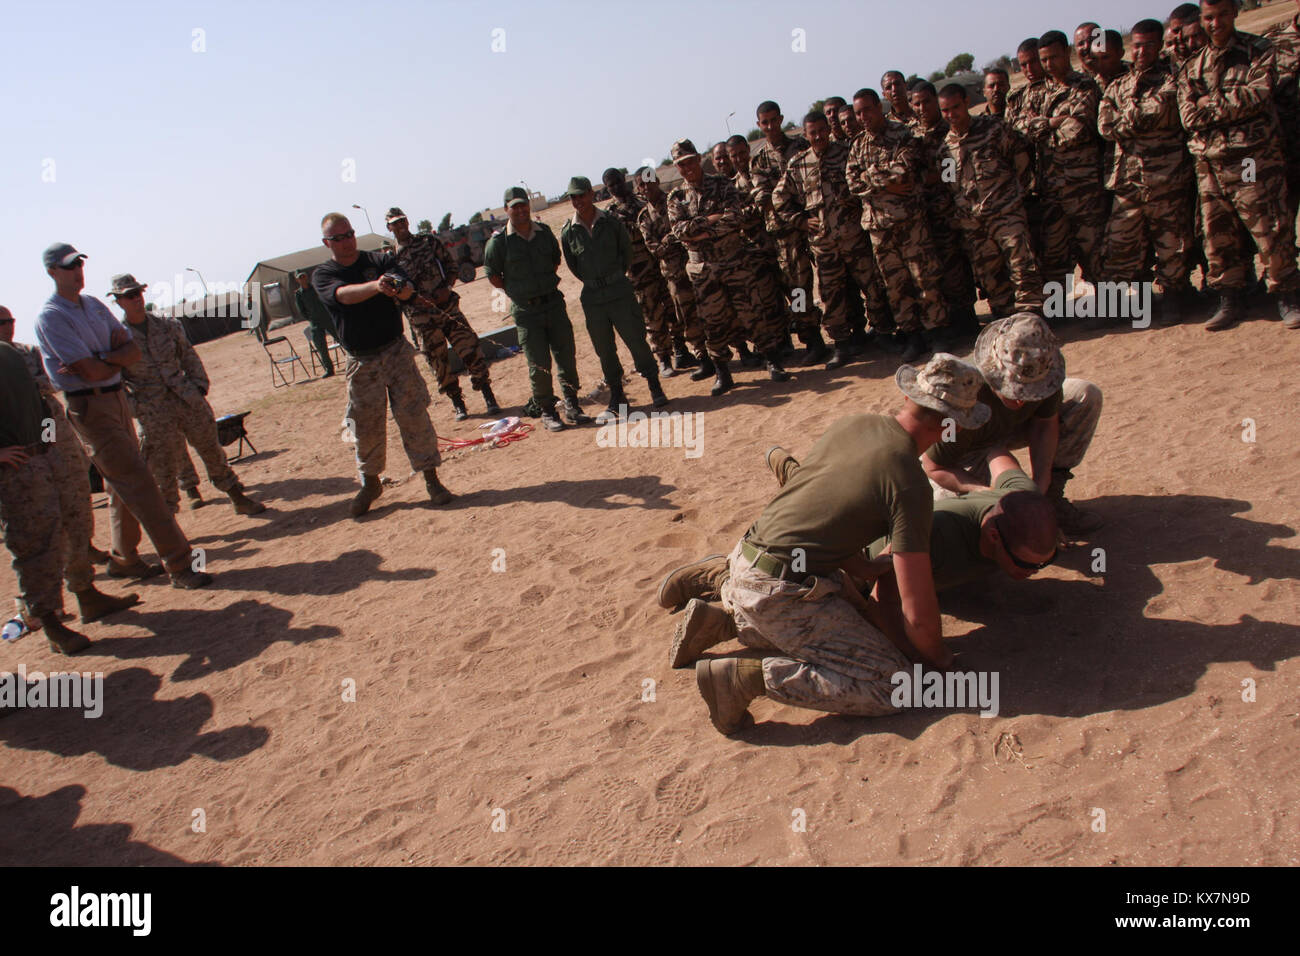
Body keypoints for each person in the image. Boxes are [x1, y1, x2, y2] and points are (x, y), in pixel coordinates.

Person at [685, 353, 989, 734]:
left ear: (910, 396)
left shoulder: (854, 424)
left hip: (749, 559)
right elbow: (918, 611)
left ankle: (724, 623)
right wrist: (940, 659)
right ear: (950, 426)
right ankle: (746, 679)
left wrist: (861, 568)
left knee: (858, 619)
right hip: (780, 590)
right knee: (894, 685)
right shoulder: (908, 482)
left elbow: (822, 509)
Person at [659, 448, 1059, 621]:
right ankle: (719, 574)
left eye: (1043, 563)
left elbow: (998, 452)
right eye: (1024, 564)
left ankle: (799, 479)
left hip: (914, 511)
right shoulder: (937, 538)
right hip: (859, 547)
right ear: (992, 535)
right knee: (805, 587)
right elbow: (883, 599)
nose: (1033, 571)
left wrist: (978, 490)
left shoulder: (1019, 500)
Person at [34, 243, 211, 589]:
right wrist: (108, 358)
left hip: (115, 399)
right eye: (68, 266)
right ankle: (179, 564)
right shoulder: (51, 317)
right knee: (140, 482)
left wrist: (103, 358)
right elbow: (91, 371)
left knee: (121, 486)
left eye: (79, 264)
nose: (77, 271)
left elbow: (129, 352)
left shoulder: (94, 306)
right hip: (89, 405)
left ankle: (126, 559)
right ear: (52, 272)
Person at [311, 214, 454, 516]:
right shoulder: (324, 274)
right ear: (327, 243)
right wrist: (376, 287)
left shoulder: (378, 260)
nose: (347, 240)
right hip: (362, 360)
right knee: (366, 425)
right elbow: (343, 296)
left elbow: (406, 285)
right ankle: (371, 482)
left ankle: (431, 478)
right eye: (338, 238)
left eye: (349, 233)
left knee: (414, 414)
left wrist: (399, 288)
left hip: (396, 351)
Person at [0, 309, 134, 628]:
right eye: (2, 323)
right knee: (35, 540)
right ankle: (49, 620)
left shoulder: (24, 354)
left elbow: (49, 389)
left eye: (10, 321)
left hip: (48, 445)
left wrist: (49, 444)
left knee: (76, 517)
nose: (9, 327)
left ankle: (86, 593)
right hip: (18, 470)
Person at [920, 314, 1102, 537]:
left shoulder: (1044, 372)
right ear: (992, 371)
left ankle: (1053, 500)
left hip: (1008, 429)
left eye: (1030, 390)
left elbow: (1045, 424)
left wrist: (1040, 491)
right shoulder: (961, 391)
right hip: (964, 452)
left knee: (1085, 394)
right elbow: (935, 466)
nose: (1021, 400)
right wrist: (988, 494)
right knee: (962, 525)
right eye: (1014, 388)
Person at [1179, 0, 1300, 331]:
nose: (1215, 23)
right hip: (1209, 161)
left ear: (1234, 13)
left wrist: (1210, 105)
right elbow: (1188, 116)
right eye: (1208, 18)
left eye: (1221, 15)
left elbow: (1259, 93)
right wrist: (1229, 105)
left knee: (1269, 228)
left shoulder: (1257, 50)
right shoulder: (1193, 65)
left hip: (1251, 157)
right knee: (1218, 237)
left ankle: (1287, 295)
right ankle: (1231, 298)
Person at [108, 274, 266, 518]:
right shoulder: (116, 339)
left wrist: (199, 386)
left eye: (138, 293)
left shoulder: (166, 325)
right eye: (129, 296)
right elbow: (115, 383)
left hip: (187, 399)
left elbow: (188, 355)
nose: (136, 299)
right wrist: (137, 408)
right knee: (163, 468)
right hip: (154, 410)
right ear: (118, 301)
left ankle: (238, 498)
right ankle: (170, 524)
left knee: (212, 449)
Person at [665, 138, 790, 396]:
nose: (687, 168)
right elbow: (679, 232)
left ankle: (772, 362)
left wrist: (699, 231)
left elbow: (735, 218)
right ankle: (723, 373)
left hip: (735, 262)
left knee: (752, 312)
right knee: (713, 323)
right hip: (703, 271)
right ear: (677, 167)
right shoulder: (676, 197)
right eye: (681, 164)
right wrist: (711, 223)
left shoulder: (722, 184)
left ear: (698, 158)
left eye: (689, 161)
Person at [1098, 19, 1196, 323]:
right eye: (1137, 45)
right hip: (1129, 182)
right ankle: (1115, 307)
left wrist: (1125, 120)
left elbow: (1162, 109)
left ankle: (1173, 299)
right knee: (1118, 244)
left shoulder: (1171, 79)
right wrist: (1135, 119)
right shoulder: (1117, 85)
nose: (1142, 51)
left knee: (1171, 245)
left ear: (1160, 46)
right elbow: (1104, 126)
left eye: (1149, 45)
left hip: (1166, 178)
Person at [772, 111, 883, 367]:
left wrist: (861, 209)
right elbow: (779, 198)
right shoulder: (799, 163)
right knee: (831, 296)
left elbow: (865, 184)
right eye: (813, 133)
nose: (819, 136)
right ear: (805, 135)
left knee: (873, 286)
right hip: (822, 245)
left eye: (823, 130)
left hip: (853, 237)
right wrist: (800, 220)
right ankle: (840, 345)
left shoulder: (846, 153)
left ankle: (884, 333)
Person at [845, 88, 950, 357]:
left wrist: (871, 179)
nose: (863, 117)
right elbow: (852, 183)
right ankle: (913, 337)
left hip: (909, 222)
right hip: (879, 229)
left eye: (867, 110)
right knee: (896, 286)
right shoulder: (857, 145)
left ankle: (937, 334)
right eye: (858, 113)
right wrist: (886, 185)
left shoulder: (902, 134)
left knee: (925, 279)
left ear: (878, 108)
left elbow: (904, 170)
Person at [559, 175, 668, 422]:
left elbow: (626, 253)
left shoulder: (611, 222)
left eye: (581, 195)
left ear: (591, 194)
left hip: (619, 289)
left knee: (636, 340)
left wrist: (613, 277)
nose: (578, 201)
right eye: (573, 197)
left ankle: (654, 385)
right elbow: (574, 265)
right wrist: (595, 282)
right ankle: (618, 395)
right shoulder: (569, 232)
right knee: (604, 349)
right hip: (593, 297)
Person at [483, 188, 590, 432]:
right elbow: (493, 275)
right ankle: (548, 411)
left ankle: (573, 405)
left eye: (524, 205)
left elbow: (554, 260)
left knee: (566, 356)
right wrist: (519, 292)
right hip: (526, 311)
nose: (521, 210)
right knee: (538, 364)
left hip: (553, 304)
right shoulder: (499, 243)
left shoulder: (544, 233)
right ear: (506, 209)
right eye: (515, 206)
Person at [936, 84, 1045, 317]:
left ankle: (1032, 318)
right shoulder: (944, 150)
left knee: (1022, 267)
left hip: (1006, 213)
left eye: (955, 107)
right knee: (990, 277)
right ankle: (1005, 320)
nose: (951, 115)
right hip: (974, 225)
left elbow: (1019, 159)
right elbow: (949, 186)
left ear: (966, 102)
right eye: (945, 110)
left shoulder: (994, 129)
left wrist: (1020, 194)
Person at [386, 208, 501, 420]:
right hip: (421, 318)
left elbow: (451, 266)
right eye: (395, 223)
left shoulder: (428, 242)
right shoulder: (390, 258)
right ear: (389, 227)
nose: (400, 226)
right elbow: (394, 293)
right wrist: (413, 299)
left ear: (408, 221)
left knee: (470, 348)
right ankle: (458, 403)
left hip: (447, 307)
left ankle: (488, 395)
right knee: (437, 362)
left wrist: (446, 288)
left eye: (402, 221)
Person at [1021, 31, 1107, 286]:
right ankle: (1060, 311)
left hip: (1083, 188)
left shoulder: (1085, 86)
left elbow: (1077, 131)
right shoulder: (1036, 92)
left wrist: (1043, 125)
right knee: (1055, 255)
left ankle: (1108, 307)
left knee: (1094, 251)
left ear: (1067, 52)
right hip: (1050, 189)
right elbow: (1022, 130)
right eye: (1044, 59)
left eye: (1054, 58)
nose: (1049, 65)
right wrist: (1054, 122)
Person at [909, 82, 979, 342]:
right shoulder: (911, 134)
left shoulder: (947, 130)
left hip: (953, 209)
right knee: (936, 270)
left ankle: (967, 318)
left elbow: (950, 175)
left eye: (926, 102)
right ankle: (949, 322)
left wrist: (933, 178)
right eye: (916, 103)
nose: (921, 108)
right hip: (925, 215)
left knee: (959, 265)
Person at [749, 100, 824, 338]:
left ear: (781, 119)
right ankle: (810, 336)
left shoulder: (802, 146)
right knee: (798, 289)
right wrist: (793, 201)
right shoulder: (759, 159)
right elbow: (764, 198)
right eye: (765, 122)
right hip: (785, 235)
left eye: (774, 120)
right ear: (759, 125)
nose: (770, 126)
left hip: (813, 225)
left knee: (832, 280)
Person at [601, 170, 683, 380]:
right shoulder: (609, 215)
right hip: (637, 272)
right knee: (652, 315)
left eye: (619, 182)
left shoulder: (641, 202)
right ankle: (663, 358)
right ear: (607, 189)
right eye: (612, 185)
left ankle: (681, 350)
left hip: (660, 264)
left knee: (674, 308)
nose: (618, 187)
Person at [634, 166, 706, 372]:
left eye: (649, 181)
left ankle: (738, 348)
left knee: (710, 308)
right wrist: (677, 236)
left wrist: (674, 236)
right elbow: (654, 248)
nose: (646, 187)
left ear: (657, 180)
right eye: (641, 184)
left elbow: (692, 225)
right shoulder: (644, 217)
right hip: (673, 275)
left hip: (696, 264)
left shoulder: (678, 200)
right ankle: (702, 355)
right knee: (687, 315)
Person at [294, 270, 338, 378]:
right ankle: (329, 369)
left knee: (341, 338)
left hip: (327, 318)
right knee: (320, 345)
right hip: (315, 322)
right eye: (300, 278)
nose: (303, 279)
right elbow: (301, 310)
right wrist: (310, 318)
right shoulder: (299, 294)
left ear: (307, 277)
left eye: (304, 276)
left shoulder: (316, 288)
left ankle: (355, 359)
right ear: (297, 280)